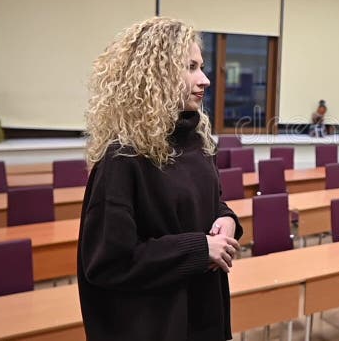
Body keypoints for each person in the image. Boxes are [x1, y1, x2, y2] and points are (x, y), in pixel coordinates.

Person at [77, 17, 243, 341]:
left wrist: (227, 218)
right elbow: (108, 262)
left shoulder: (194, 142)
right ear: (157, 75)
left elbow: (207, 203)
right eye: (191, 67)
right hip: (155, 323)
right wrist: (198, 249)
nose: (205, 79)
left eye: (202, 66)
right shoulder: (122, 158)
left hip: (203, 313)